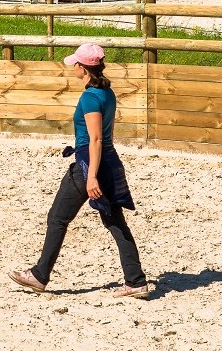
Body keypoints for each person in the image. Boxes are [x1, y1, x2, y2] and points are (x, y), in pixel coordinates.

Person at [9, 43, 150, 299]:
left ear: (82, 68)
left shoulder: (89, 97)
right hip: (108, 159)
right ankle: (136, 280)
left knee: (58, 218)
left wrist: (91, 175)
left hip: (89, 163)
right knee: (114, 221)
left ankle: (40, 275)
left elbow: (94, 139)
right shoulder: (107, 92)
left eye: (75, 63)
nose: (73, 67)